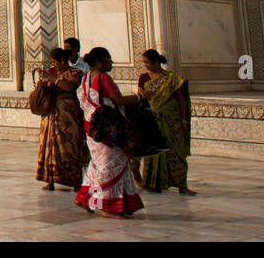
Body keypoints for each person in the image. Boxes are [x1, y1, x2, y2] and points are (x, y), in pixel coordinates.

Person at [75, 47, 143, 217]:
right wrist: (141, 96)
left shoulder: (85, 79)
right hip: (107, 131)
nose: (111, 62)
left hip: (93, 129)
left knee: (99, 164)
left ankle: (88, 199)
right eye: (108, 59)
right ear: (99, 62)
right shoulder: (104, 78)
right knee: (112, 165)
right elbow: (118, 99)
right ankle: (108, 207)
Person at [136, 49, 195, 195]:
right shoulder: (143, 78)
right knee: (154, 152)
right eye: (144, 62)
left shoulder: (172, 78)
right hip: (153, 120)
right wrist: (142, 95)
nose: (145, 65)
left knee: (177, 151)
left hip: (171, 119)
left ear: (156, 62)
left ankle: (182, 185)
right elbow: (139, 95)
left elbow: (181, 99)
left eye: (147, 62)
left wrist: (184, 119)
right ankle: (153, 183)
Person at [35, 47, 89, 191]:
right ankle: (50, 179)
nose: (54, 65)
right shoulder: (53, 73)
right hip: (51, 114)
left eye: (55, 62)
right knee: (49, 147)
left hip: (67, 115)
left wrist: (54, 79)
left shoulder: (75, 73)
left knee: (68, 147)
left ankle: (75, 180)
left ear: (63, 61)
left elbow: (69, 87)